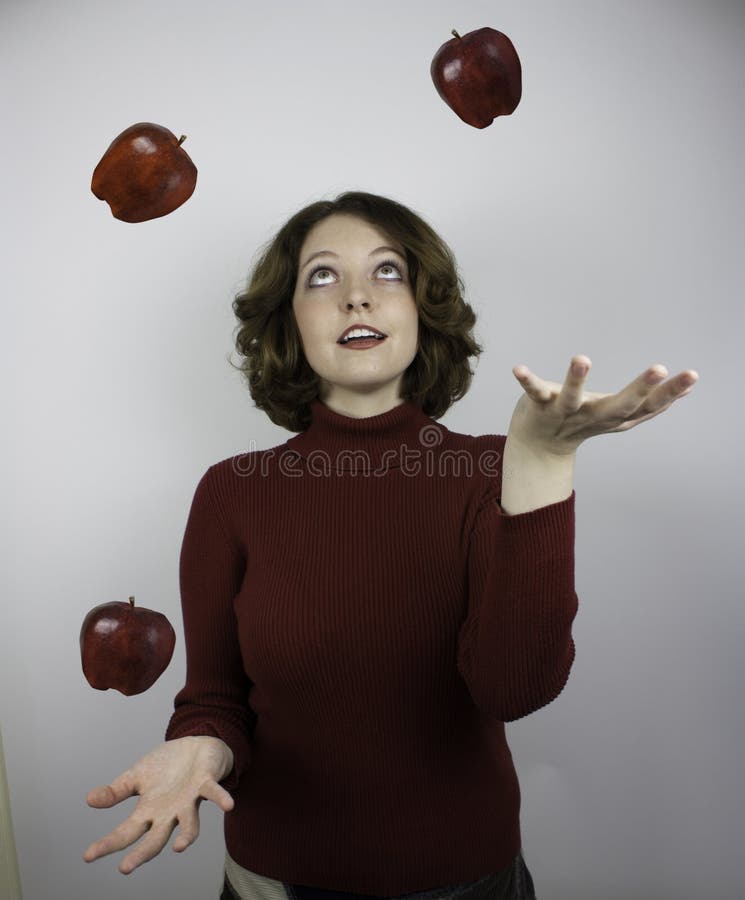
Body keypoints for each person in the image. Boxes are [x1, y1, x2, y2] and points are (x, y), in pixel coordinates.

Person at [83, 191, 699, 899]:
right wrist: (201, 744)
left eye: (386, 272)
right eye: (321, 276)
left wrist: (542, 462)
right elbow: (216, 698)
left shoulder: (491, 471)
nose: (354, 298)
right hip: (275, 883)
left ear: (422, 309)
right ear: (289, 319)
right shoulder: (231, 492)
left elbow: (516, 687)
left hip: (467, 883)